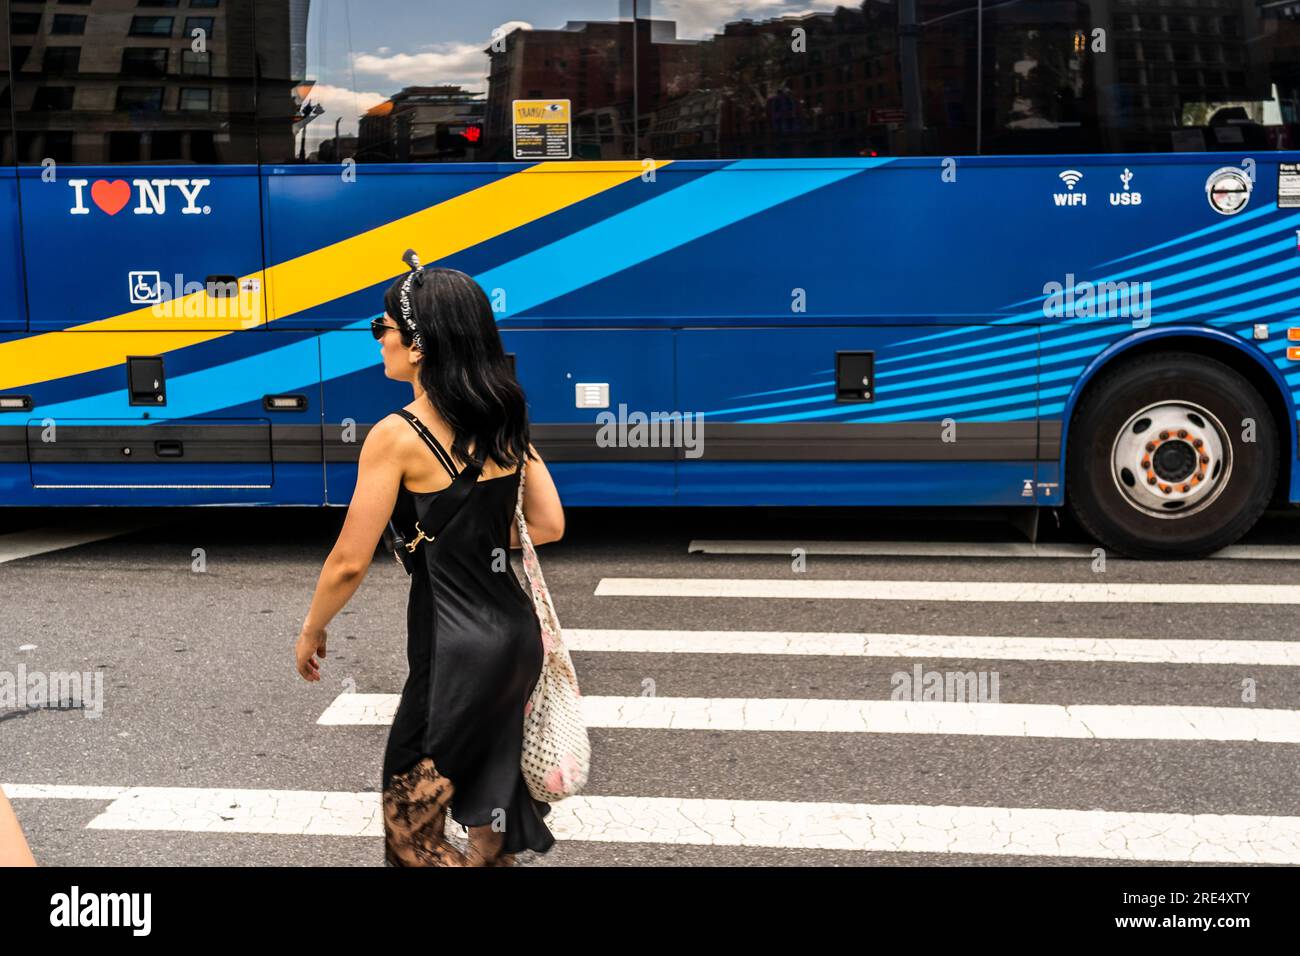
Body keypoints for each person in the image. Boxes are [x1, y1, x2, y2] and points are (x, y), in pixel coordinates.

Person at [295, 252, 564, 866]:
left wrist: (312, 629)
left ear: (418, 345)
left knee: (410, 822)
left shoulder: (397, 434)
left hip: (453, 649)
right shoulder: (505, 419)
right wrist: (477, 540)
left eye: (381, 328)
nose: (378, 342)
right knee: (491, 805)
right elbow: (549, 525)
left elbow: (347, 561)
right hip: (513, 638)